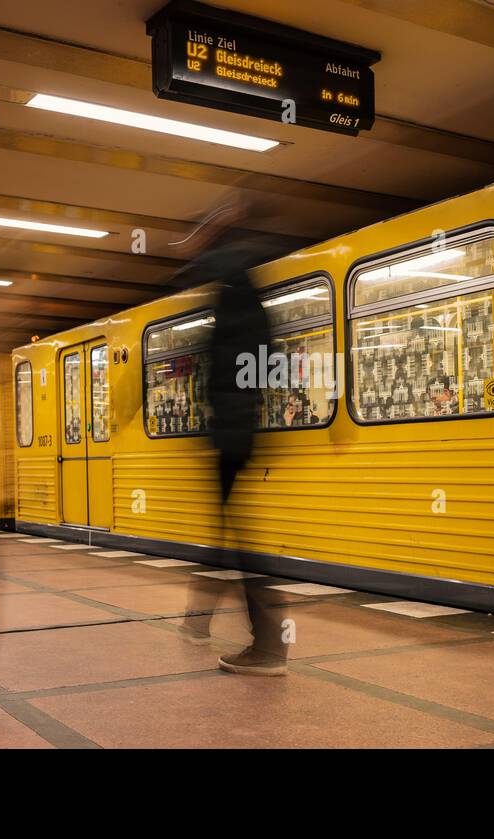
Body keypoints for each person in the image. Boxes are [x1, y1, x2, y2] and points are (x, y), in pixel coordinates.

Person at [174, 197, 291, 676]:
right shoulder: (243, 283)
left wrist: (228, 417)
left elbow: (237, 361)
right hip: (237, 425)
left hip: (233, 427)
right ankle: (201, 619)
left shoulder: (234, 280)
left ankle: (268, 645)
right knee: (229, 530)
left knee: (238, 538)